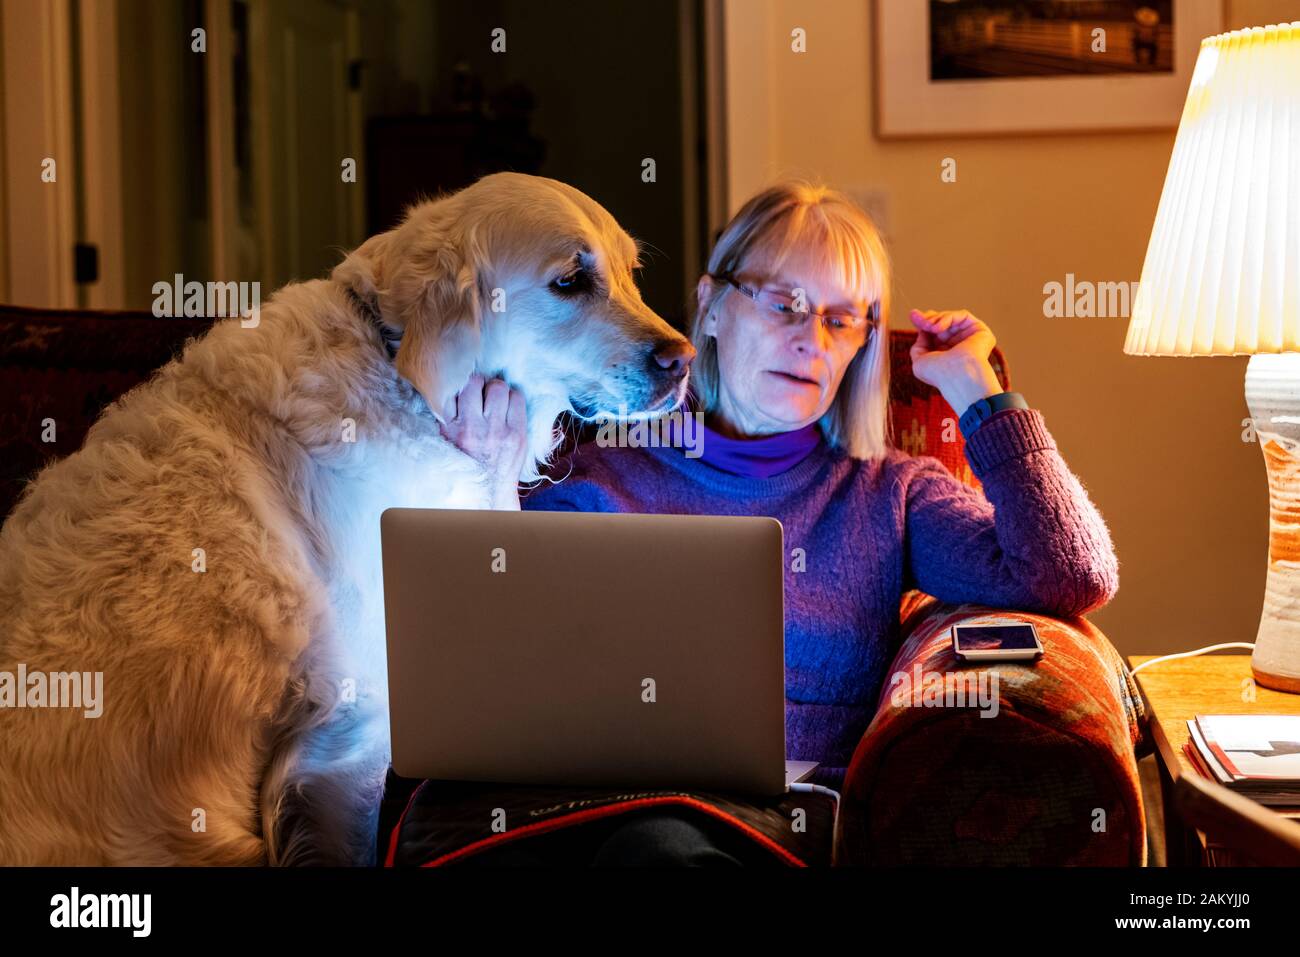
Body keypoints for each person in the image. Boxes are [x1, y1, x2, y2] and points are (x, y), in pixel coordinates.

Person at [440, 180, 1120, 866]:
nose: (810, 340)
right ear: (709, 306)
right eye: (785, 303)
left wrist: (981, 390)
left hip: (771, 831)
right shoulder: (592, 464)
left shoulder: (889, 494)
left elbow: (1070, 572)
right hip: (588, 813)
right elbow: (487, 669)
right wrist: (493, 482)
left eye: (843, 318)